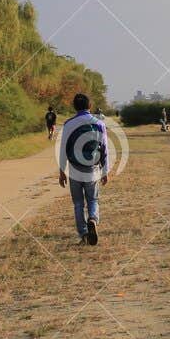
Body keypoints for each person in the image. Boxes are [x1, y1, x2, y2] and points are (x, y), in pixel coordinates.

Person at [58, 93, 108, 245]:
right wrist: (105, 171)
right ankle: (92, 219)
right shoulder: (99, 123)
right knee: (93, 199)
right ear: (90, 106)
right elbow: (104, 149)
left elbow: (63, 149)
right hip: (92, 168)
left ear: (74, 107)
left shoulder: (68, 124)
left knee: (78, 203)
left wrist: (62, 171)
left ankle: (84, 234)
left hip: (75, 169)